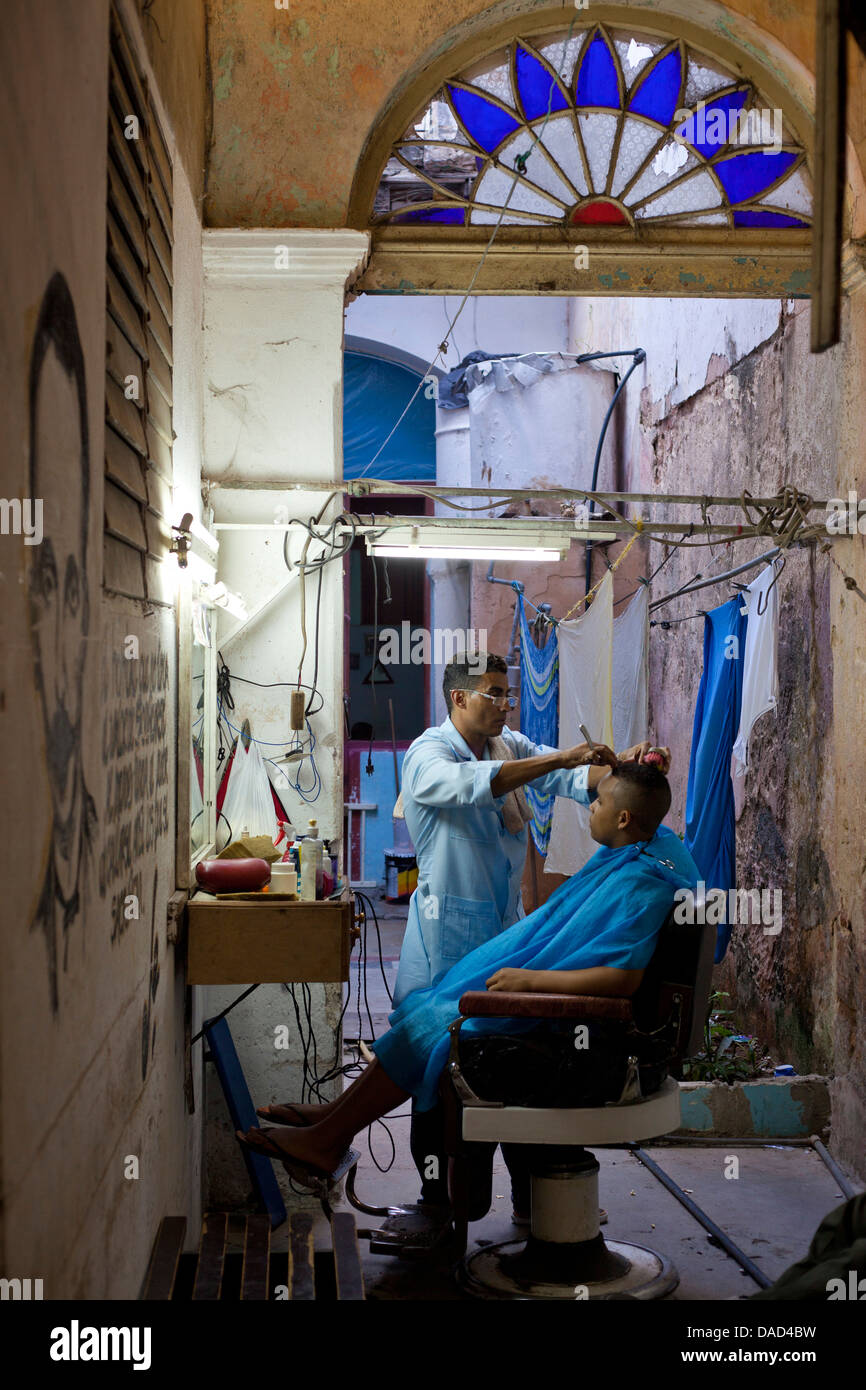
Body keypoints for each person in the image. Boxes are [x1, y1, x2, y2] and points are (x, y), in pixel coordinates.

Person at [238, 760, 698, 1191]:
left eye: (599, 802)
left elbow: (622, 981)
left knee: (438, 1023)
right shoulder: (646, 850)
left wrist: (530, 981)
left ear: (623, 820)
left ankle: (329, 1136)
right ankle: (335, 1119)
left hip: (581, 1029)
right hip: (569, 1012)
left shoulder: (642, 883)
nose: (591, 807)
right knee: (428, 1005)